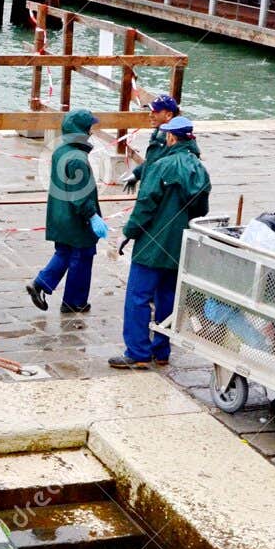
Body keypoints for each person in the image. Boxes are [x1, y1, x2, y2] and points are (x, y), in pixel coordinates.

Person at [109, 115, 210, 369]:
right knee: (167, 298)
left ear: (171, 137)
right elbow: (201, 210)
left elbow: (145, 206)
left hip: (152, 245)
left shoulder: (161, 166)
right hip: (179, 245)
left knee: (138, 297)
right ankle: (162, 351)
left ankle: (137, 352)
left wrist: (128, 233)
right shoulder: (199, 170)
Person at [27, 109, 109, 314]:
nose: (91, 131)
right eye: (89, 127)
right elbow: (80, 195)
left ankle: (40, 284)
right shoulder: (77, 158)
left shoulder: (60, 151)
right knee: (82, 258)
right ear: (81, 130)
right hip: (76, 220)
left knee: (64, 252)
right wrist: (92, 216)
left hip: (59, 216)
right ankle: (74, 302)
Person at [123, 93, 180, 192]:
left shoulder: (174, 141)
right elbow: (152, 161)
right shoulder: (158, 133)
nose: (150, 115)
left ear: (169, 115)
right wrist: (137, 174)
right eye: (150, 111)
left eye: (155, 112)